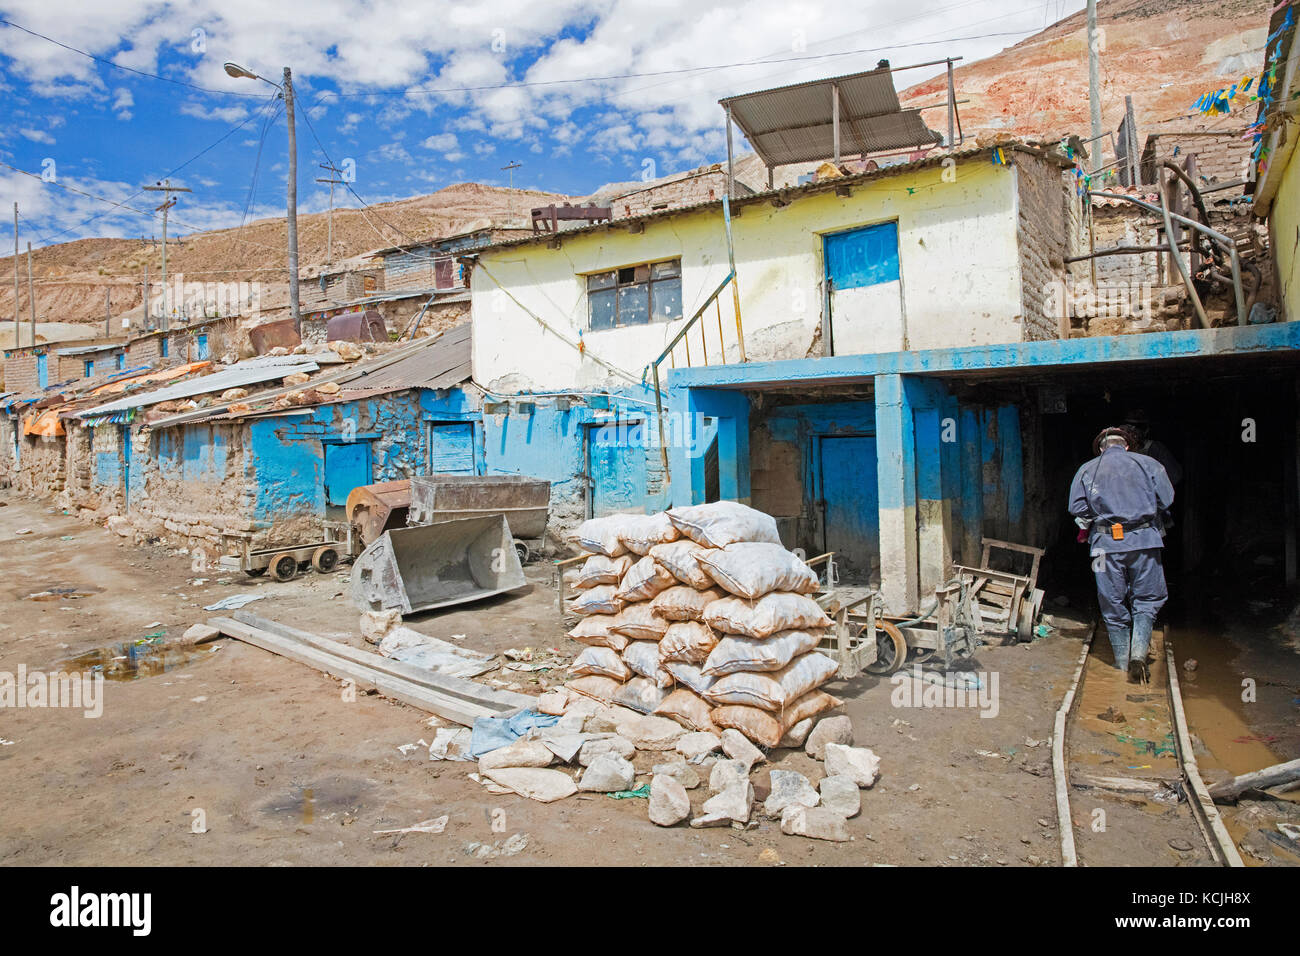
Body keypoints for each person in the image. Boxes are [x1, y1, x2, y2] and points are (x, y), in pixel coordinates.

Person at [1068, 426, 1175, 682]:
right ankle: (1138, 654)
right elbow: (1167, 498)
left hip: (1105, 547)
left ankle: (1121, 664)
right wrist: (1143, 509)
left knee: (1111, 601)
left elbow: (1076, 507)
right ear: (1126, 445)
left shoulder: (1087, 469)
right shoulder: (1149, 464)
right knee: (1147, 599)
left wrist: (1103, 512)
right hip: (1145, 543)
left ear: (1101, 448)